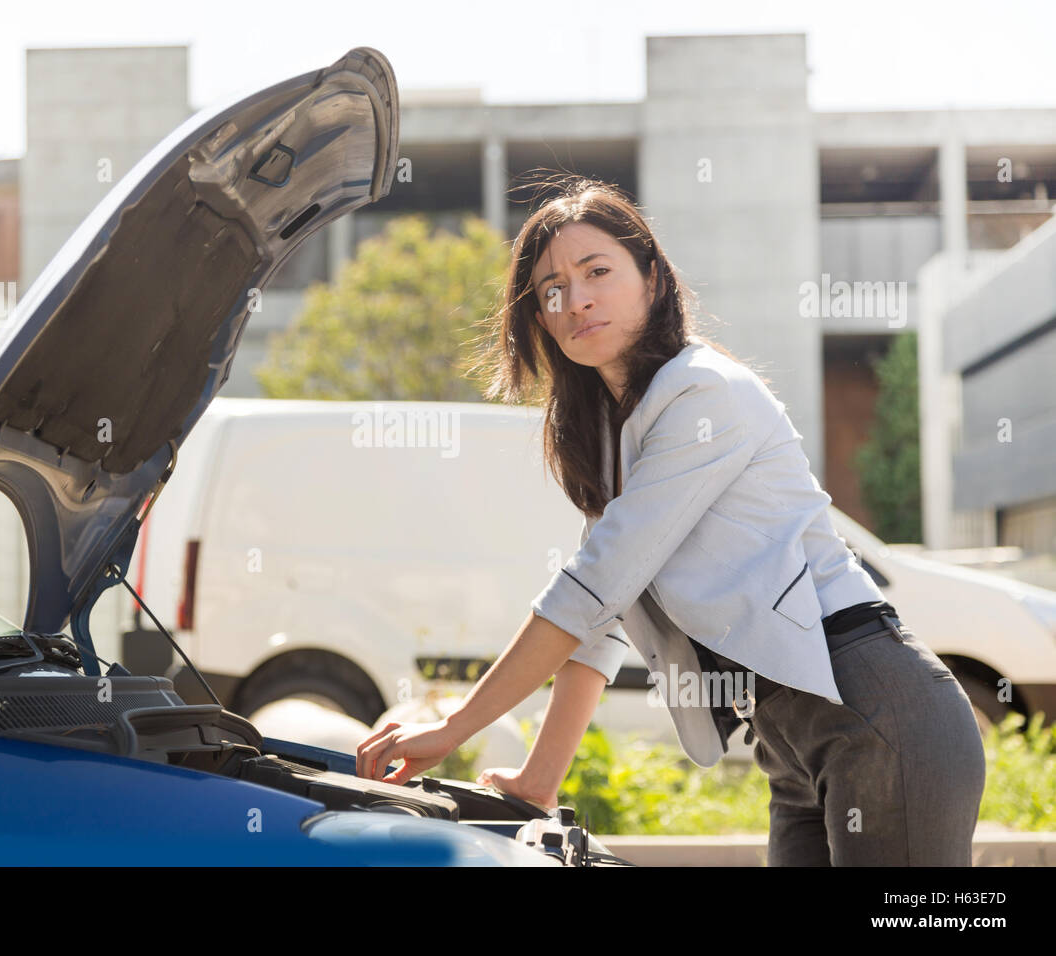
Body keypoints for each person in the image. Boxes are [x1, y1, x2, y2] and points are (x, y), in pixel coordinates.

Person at [354, 176, 987, 865]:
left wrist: (456, 724)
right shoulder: (617, 432)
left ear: (653, 279)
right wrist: (539, 779)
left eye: (598, 271)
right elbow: (598, 619)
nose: (578, 298)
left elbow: (589, 589)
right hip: (791, 745)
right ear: (541, 317)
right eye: (553, 289)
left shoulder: (703, 393)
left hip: (875, 710)